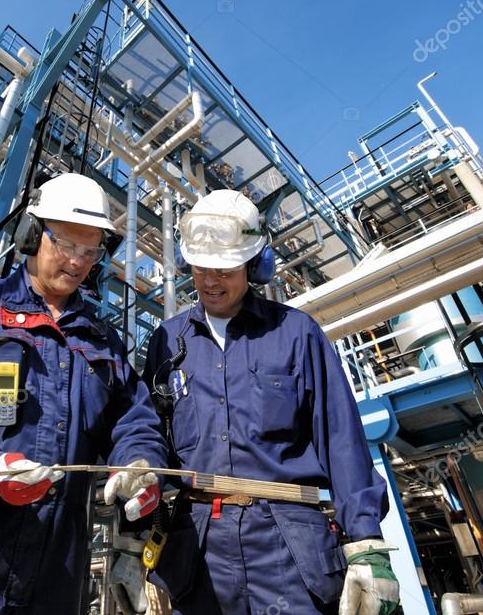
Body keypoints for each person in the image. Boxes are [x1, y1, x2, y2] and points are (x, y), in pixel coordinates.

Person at [0, 172, 166, 614]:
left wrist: (141, 464)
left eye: (91, 250)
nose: (79, 262)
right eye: (65, 244)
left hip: (57, 569)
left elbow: (133, 419)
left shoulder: (103, 342)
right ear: (31, 234)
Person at [144, 190, 399, 615]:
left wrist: (366, 543)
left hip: (289, 545)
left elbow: (341, 439)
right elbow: (148, 437)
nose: (210, 281)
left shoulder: (296, 333)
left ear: (255, 265)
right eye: (201, 268)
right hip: (198, 548)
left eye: (224, 270)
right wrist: (138, 538)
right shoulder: (167, 342)